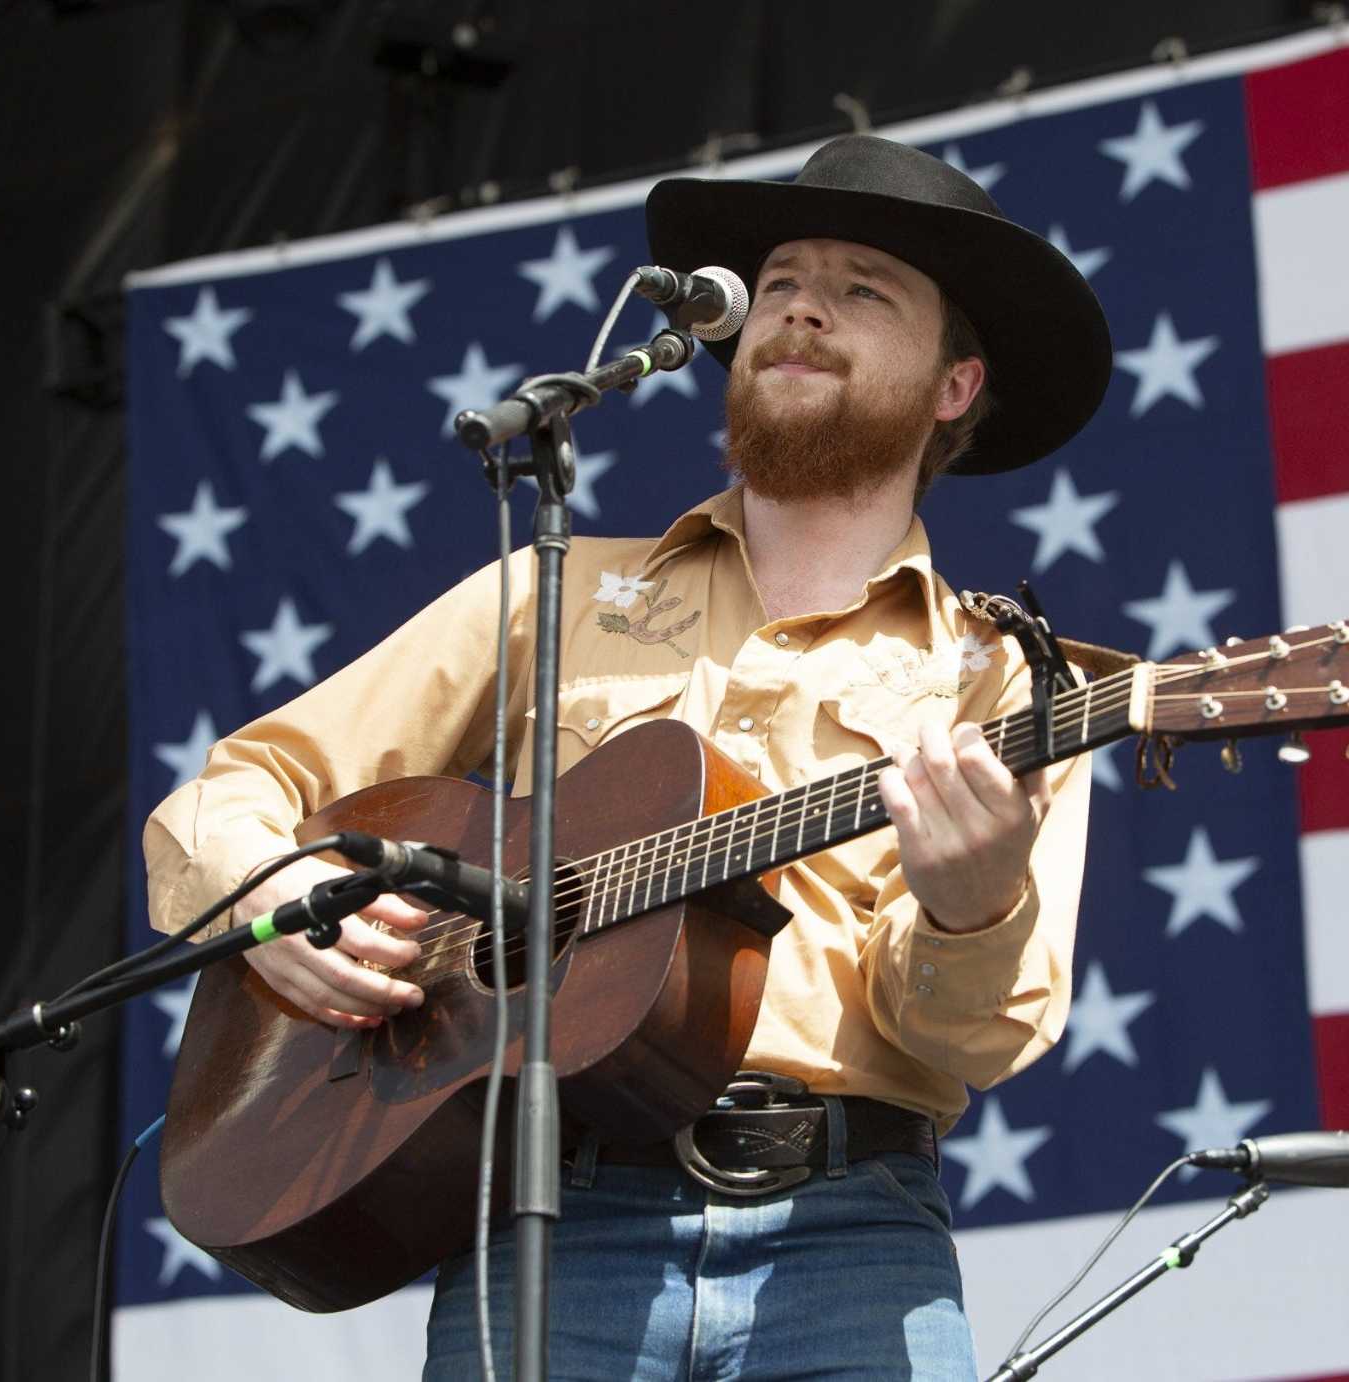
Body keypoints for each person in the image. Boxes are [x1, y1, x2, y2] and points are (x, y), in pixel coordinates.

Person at [143, 134, 1114, 1380]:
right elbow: (231, 794)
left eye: (862, 287)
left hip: (851, 1235)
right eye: (777, 282)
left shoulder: (1012, 684)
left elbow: (965, 1039)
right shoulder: (551, 592)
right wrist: (283, 902)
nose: (801, 305)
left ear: (953, 385)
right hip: (554, 1222)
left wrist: (970, 902)